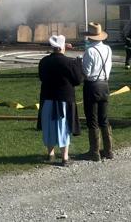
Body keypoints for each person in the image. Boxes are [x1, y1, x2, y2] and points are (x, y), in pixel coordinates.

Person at [37, 34, 84, 166]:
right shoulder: (70, 62)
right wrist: (79, 63)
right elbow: (77, 80)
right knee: (64, 127)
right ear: (63, 47)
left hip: (47, 98)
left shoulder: (44, 61)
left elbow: (41, 77)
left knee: (49, 126)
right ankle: (64, 157)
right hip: (64, 99)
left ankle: (50, 154)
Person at [81, 22, 114, 161]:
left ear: (90, 37)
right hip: (104, 85)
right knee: (104, 119)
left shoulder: (90, 51)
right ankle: (108, 150)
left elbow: (87, 72)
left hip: (92, 86)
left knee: (93, 120)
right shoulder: (108, 49)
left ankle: (94, 152)